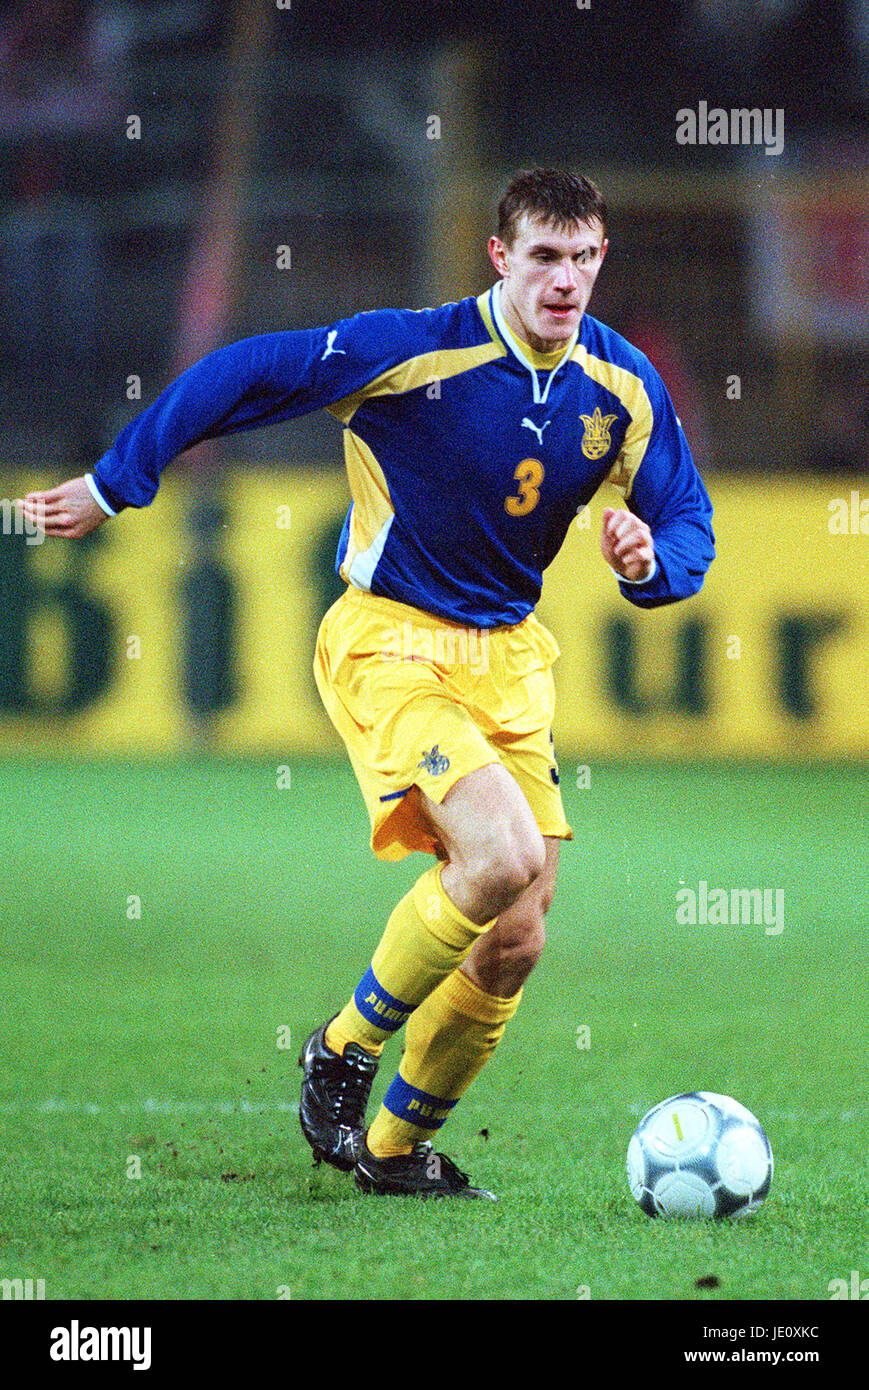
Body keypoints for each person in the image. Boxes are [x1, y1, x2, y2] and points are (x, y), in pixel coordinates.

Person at [16, 168, 715, 1200]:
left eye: (582, 258)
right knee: (500, 853)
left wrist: (649, 561)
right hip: (391, 642)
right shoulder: (417, 349)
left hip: (509, 661)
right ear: (500, 257)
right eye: (542, 258)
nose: (564, 280)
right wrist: (117, 480)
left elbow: (687, 518)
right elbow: (252, 371)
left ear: (600, 256)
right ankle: (340, 1048)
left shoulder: (621, 386)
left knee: (516, 935)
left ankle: (392, 1150)